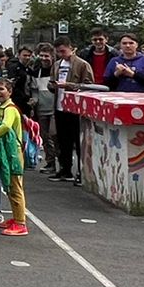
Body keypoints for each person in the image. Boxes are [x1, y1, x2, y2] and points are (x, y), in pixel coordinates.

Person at [0, 78, 30, 236]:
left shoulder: (10, 109)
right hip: (5, 151)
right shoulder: (0, 107)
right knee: (8, 186)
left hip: (13, 152)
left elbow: (5, 126)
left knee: (15, 187)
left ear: (9, 92)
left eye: (1, 89)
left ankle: (20, 223)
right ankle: (16, 217)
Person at [48, 40, 93, 182]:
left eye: (63, 51)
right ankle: (65, 169)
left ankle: (81, 172)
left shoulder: (82, 64)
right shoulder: (57, 64)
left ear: (71, 49)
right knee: (62, 140)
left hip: (75, 108)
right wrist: (52, 86)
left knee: (78, 141)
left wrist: (69, 85)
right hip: (59, 106)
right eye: (58, 52)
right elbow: (51, 82)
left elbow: (89, 85)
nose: (61, 54)